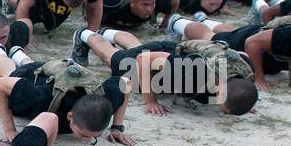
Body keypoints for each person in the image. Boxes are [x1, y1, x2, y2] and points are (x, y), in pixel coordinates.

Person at [70, 27, 259, 117]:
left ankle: (107, 31)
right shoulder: (193, 71)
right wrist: (150, 100)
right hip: (167, 54)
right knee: (116, 59)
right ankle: (85, 34)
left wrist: (242, 100)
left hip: (171, 56)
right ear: (220, 91)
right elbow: (143, 59)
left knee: (137, 47)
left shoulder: (247, 70)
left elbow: (240, 55)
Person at [168, 15, 291, 90]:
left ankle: (204, 18)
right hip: (248, 43)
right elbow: (253, 43)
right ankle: (177, 22)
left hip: (262, 47)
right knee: (211, 39)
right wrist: (258, 78)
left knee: (228, 31)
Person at [0, 45, 136, 146]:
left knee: (34, 65)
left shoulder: (107, 99)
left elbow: (126, 83)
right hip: (36, 77)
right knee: (10, 72)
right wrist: (9, 129)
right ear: (70, 116)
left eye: (95, 135)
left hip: (57, 72)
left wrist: (117, 127)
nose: (87, 140)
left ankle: (18, 54)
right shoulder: (40, 100)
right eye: (84, 135)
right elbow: (0, 84)